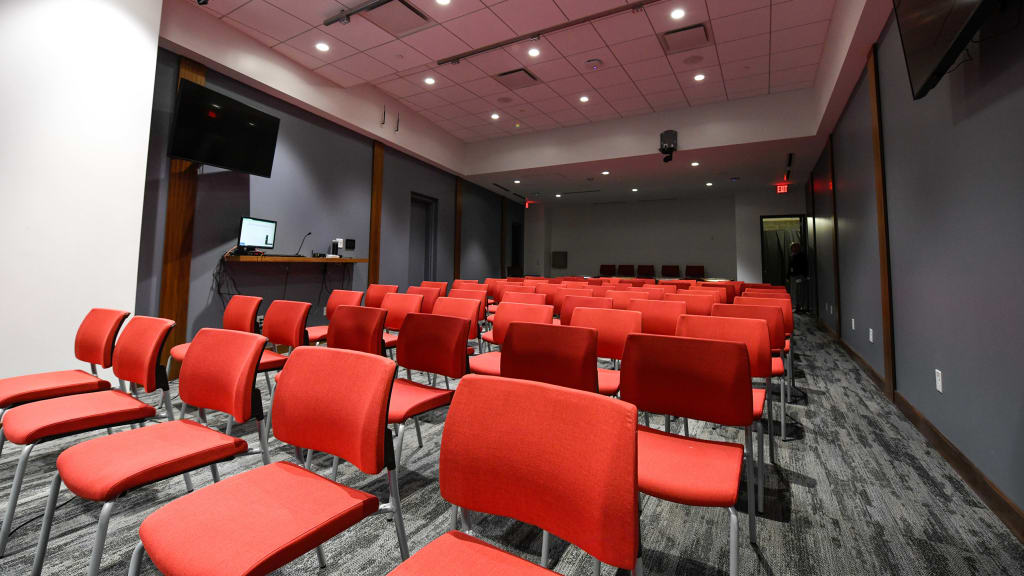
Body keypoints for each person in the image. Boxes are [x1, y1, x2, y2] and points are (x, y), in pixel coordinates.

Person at [788, 242, 809, 312]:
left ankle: (801, 306)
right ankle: (794, 306)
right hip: (793, 276)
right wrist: (788, 276)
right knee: (793, 292)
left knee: (800, 291)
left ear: (798, 248)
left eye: (794, 247)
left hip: (800, 276)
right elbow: (790, 267)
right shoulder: (792, 256)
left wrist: (805, 275)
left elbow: (805, 266)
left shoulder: (802, 255)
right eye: (792, 248)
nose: (793, 249)